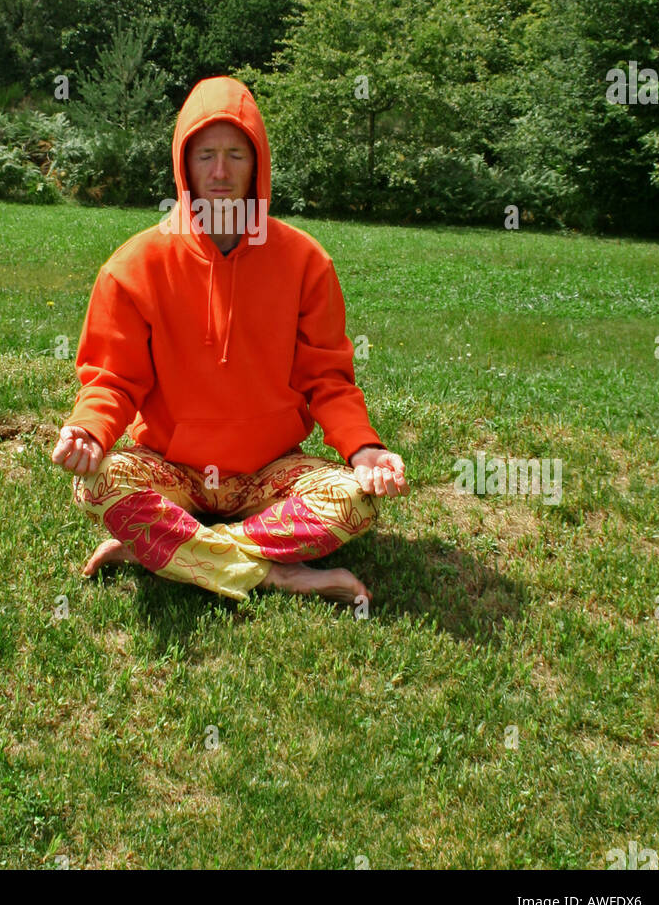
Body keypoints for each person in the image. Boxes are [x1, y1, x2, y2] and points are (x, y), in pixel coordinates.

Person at [51, 75, 409, 604]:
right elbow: (113, 378)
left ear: (258, 164)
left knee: (358, 501)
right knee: (95, 482)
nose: (220, 173)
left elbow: (327, 379)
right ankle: (273, 572)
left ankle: (171, 551)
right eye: (206, 156)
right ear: (184, 165)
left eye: (236, 155)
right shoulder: (134, 266)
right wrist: (88, 431)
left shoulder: (306, 262)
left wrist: (364, 448)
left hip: (269, 472)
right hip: (171, 469)